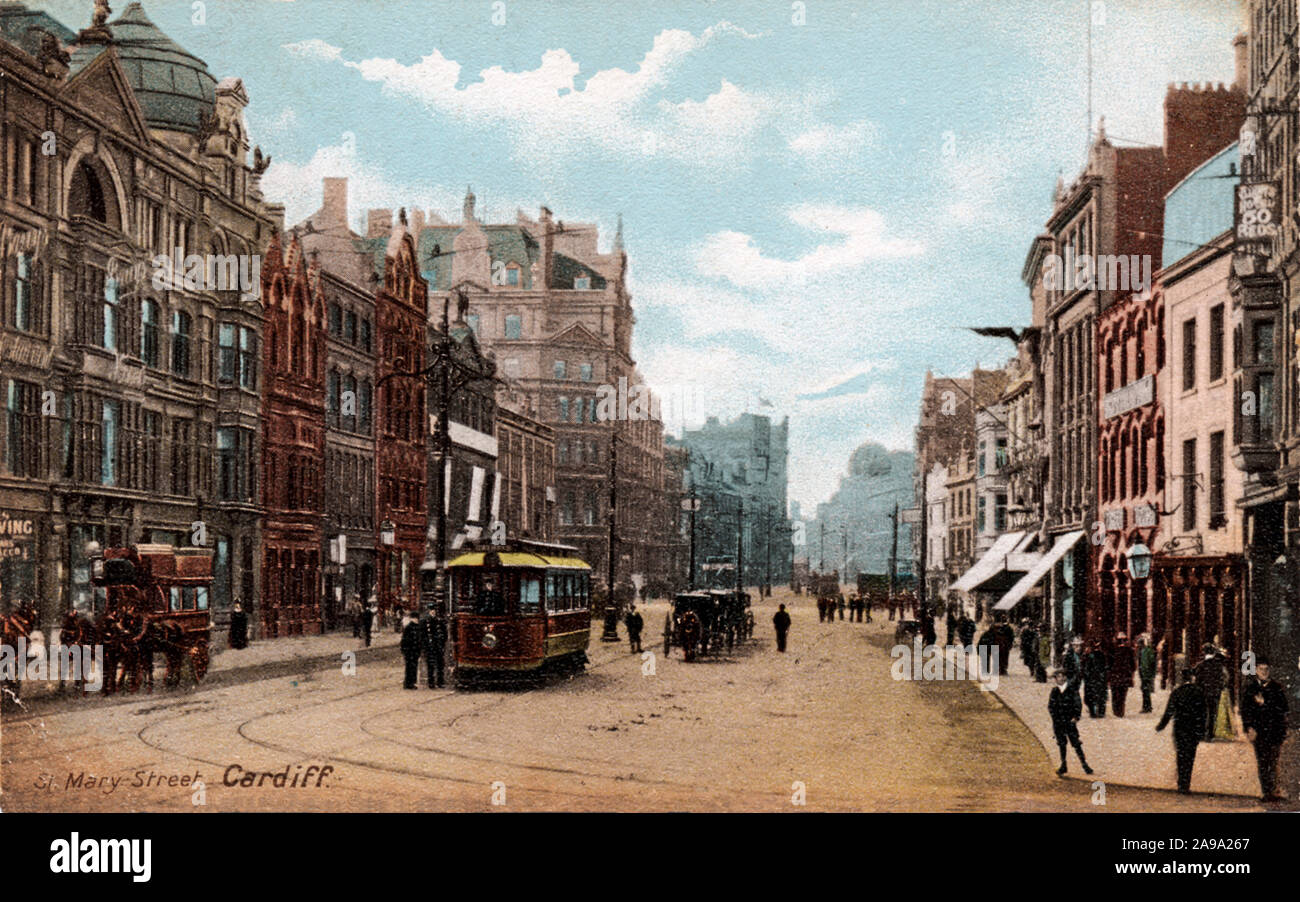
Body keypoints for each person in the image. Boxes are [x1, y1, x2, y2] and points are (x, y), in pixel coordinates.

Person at [1240, 658, 1290, 801]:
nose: (1264, 672)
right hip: (1259, 732)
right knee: (1262, 762)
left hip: (1274, 732)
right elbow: (1246, 711)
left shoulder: (1277, 688)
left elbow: (1283, 710)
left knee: (1273, 762)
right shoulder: (1251, 689)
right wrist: (1248, 728)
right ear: (1256, 671)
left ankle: (1273, 790)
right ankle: (1266, 791)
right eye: (1261, 669)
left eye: (1266, 670)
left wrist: (1265, 703)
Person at [1156, 668, 1206, 793]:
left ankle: (1181, 782)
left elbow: (1169, 711)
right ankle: (1186, 782)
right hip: (1194, 728)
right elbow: (1204, 713)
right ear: (1193, 678)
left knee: (1181, 754)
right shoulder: (1199, 692)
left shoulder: (1177, 692)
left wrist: (1161, 726)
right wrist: (1203, 729)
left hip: (1180, 727)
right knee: (1190, 756)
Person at [1048, 669, 1092, 776]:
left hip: (1069, 721)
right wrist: (1055, 717)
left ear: (1065, 677)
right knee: (1062, 744)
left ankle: (1084, 764)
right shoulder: (1054, 691)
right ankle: (1063, 765)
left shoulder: (1071, 690)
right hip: (1059, 722)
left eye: (1061, 676)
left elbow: (1078, 704)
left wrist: (1076, 717)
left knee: (1076, 743)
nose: (1059, 679)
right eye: (1057, 677)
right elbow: (1051, 706)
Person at [1192, 644, 1226, 741]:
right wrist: (1219, 687)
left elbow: (1197, 678)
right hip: (1215, 692)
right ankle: (1210, 734)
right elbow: (1222, 679)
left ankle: (1202, 733)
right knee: (1212, 713)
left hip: (1203, 692)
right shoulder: (1218, 665)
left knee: (1202, 712)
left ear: (1204, 652)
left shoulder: (1201, 665)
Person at [419, 604, 447, 688]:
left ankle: (440, 682)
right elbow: (422, 635)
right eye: (432, 610)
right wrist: (424, 646)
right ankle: (431, 682)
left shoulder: (440, 621)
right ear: (429, 611)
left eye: (434, 610)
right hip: (430, 646)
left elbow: (444, 633)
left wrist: (442, 643)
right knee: (430, 665)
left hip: (438, 646)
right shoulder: (424, 621)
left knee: (440, 665)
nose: (433, 612)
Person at [1109, 633, 1135, 717]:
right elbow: (1133, 665)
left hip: (1115, 677)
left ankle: (1116, 709)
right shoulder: (1129, 651)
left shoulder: (1113, 650)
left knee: (1115, 694)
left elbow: (1109, 665)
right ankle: (1120, 710)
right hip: (1124, 676)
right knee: (1122, 694)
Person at [1082, 640, 1109, 717]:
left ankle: (1093, 712)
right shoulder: (1103, 656)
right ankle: (1101, 712)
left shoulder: (1089, 656)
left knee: (1091, 697)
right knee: (1101, 697)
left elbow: (1087, 669)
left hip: (1092, 680)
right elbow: (1105, 667)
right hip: (1101, 679)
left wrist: (1087, 676)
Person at [400, 611, 422, 690]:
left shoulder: (417, 627)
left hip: (414, 651)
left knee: (413, 667)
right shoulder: (408, 628)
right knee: (410, 668)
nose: (416, 620)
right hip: (409, 651)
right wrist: (404, 651)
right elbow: (404, 641)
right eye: (415, 618)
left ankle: (412, 682)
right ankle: (408, 683)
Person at [1137, 634, 1157, 713]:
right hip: (1144, 674)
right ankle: (1147, 706)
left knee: (1146, 691)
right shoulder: (1144, 651)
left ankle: (1147, 707)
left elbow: (1151, 663)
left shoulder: (1147, 651)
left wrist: (1150, 673)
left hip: (1146, 674)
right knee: (1145, 691)